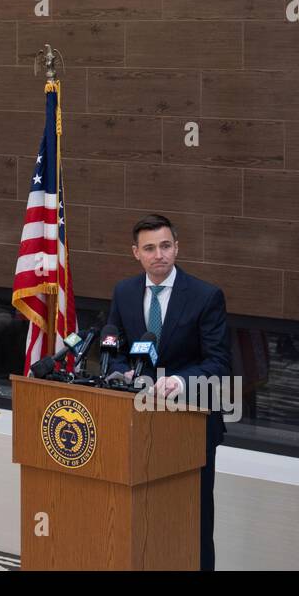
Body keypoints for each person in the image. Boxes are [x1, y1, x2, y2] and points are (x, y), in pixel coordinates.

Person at [104, 214, 231, 571]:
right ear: (136, 253)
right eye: (149, 248)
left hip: (190, 426)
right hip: (137, 426)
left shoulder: (206, 296)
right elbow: (113, 349)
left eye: (165, 246)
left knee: (192, 521)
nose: (158, 254)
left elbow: (220, 363)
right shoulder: (124, 292)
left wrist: (179, 382)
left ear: (176, 248)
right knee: (145, 517)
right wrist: (119, 372)